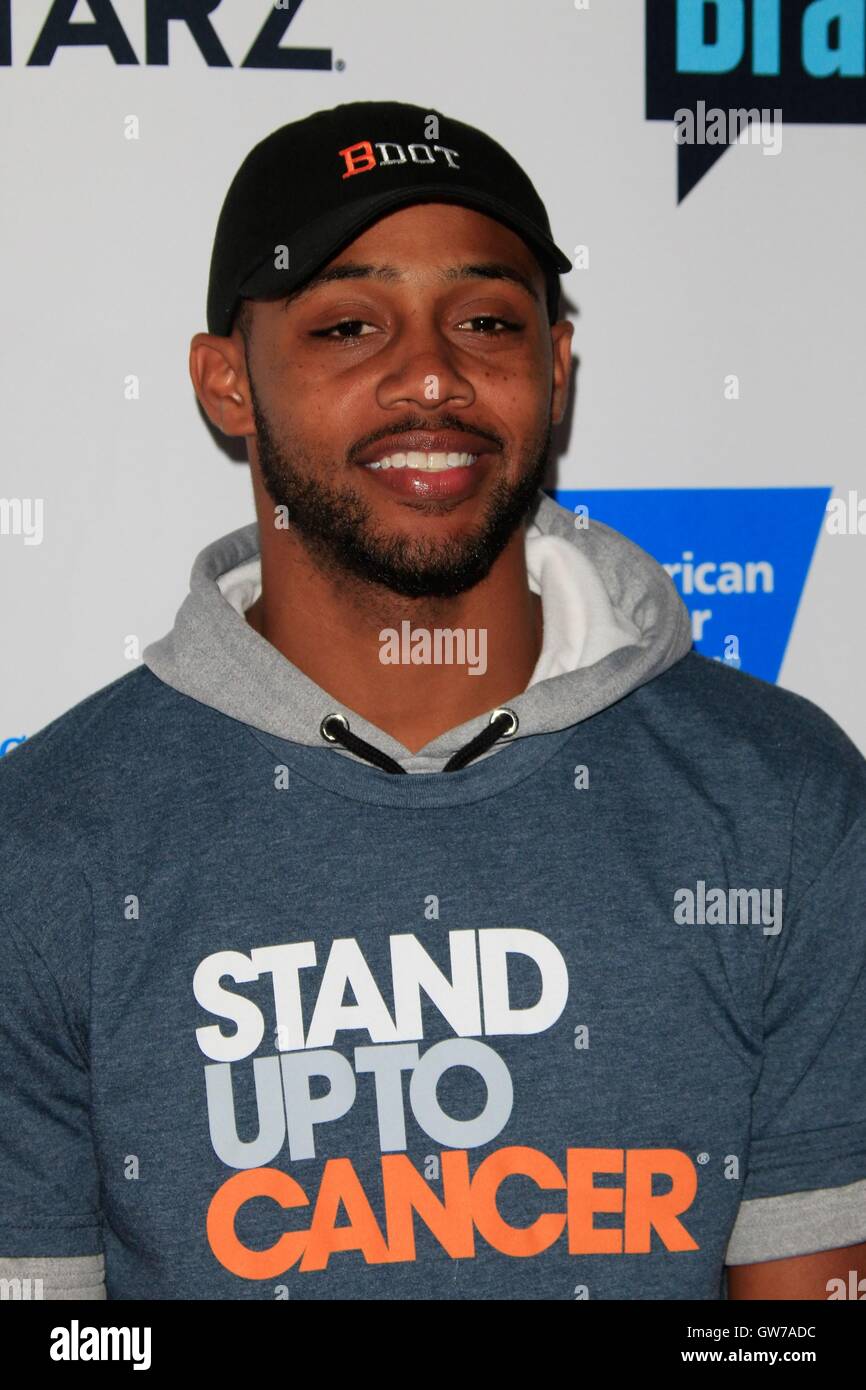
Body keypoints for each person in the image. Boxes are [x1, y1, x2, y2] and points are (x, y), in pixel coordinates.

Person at [0, 100, 864, 1302]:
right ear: (226, 382)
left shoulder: (781, 798)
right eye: (349, 324)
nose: (429, 376)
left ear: (554, 368)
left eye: (487, 321)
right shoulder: (44, 842)